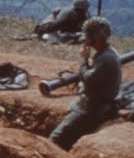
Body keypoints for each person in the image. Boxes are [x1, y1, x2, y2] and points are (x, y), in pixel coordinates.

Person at [49, 16, 121, 151]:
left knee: (55, 139)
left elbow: (87, 78)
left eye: (87, 35)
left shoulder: (106, 58)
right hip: (94, 103)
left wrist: (84, 59)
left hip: (94, 108)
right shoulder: (106, 53)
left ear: (95, 37)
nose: (85, 38)